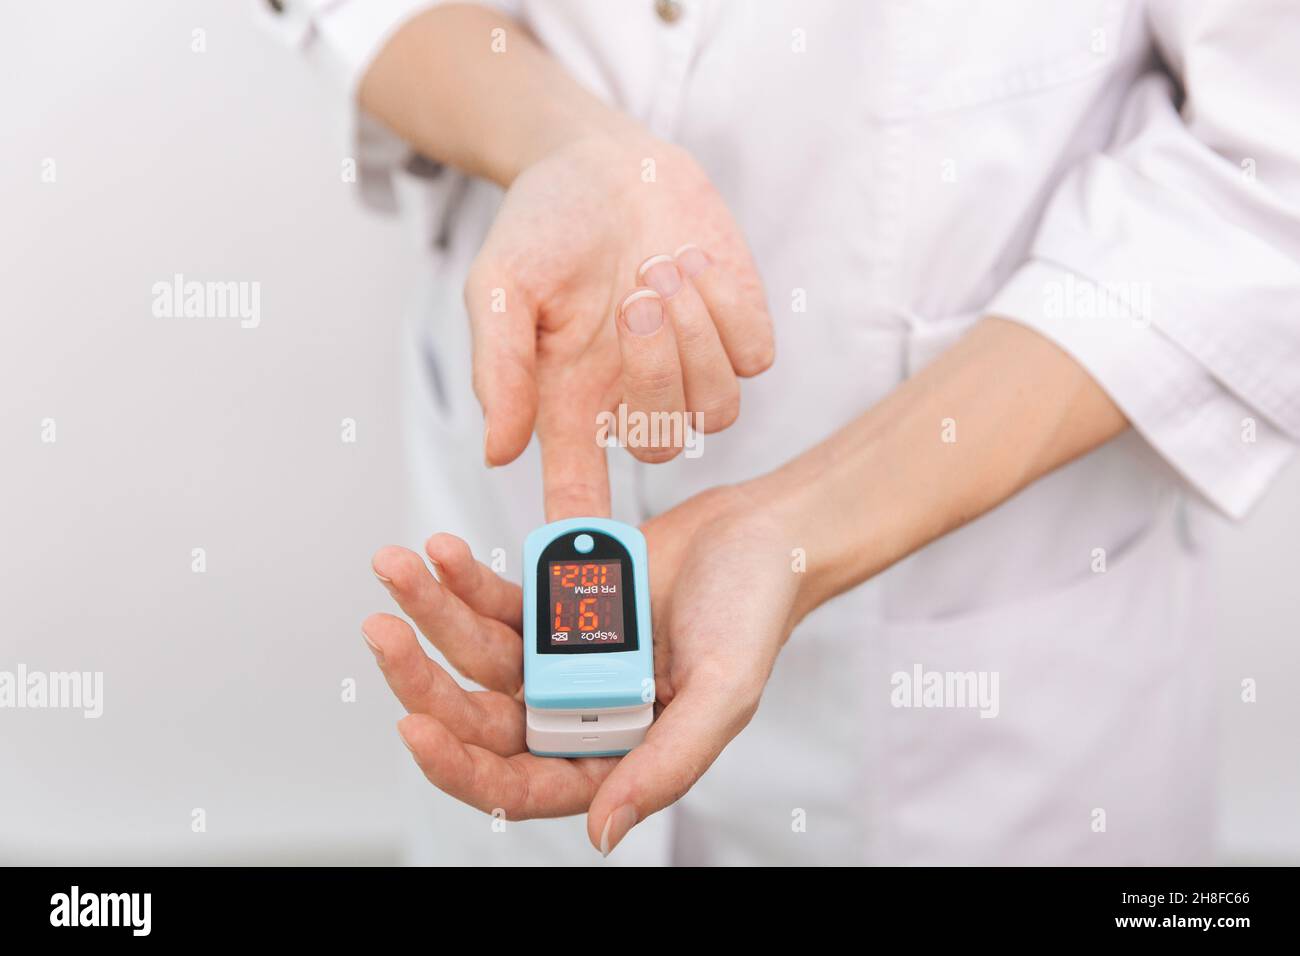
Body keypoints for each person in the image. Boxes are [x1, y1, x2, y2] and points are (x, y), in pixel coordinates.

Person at [259, 0, 1300, 864]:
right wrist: (564, 139)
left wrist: (794, 529)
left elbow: (1268, 168)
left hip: (983, 727)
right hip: (512, 438)